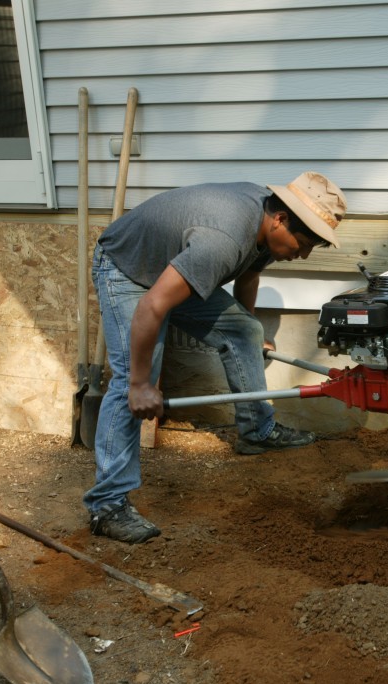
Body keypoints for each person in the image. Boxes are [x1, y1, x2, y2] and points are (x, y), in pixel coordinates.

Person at [84, 171, 347, 543]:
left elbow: (249, 275)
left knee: (245, 330)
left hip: (172, 268)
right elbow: (151, 306)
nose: (302, 254)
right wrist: (142, 384)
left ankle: (257, 430)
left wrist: (248, 329)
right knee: (132, 378)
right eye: (303, 244)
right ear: (280, 220)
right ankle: (106, 505)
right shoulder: (224, 239)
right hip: (128, 270)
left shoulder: (267, 224)